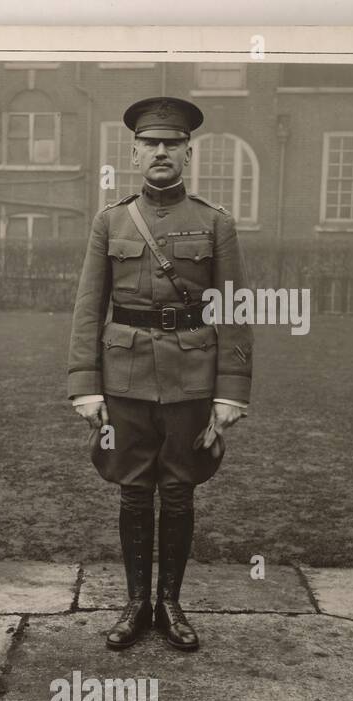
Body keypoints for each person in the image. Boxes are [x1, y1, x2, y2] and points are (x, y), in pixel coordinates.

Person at [67, 96, 253, 651]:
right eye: (151, 144)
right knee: (132, 492)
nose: (162, 152)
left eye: (172, 144)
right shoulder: (111, 221)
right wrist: (84, 383)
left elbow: (236, 310)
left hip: (192, 377)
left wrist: (232, 393)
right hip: (122, 377)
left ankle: (170, 604)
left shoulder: (215, 222)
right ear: (135, 153)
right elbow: (87, 306)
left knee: (178, 492)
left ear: (187, 153)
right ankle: (133, 604)